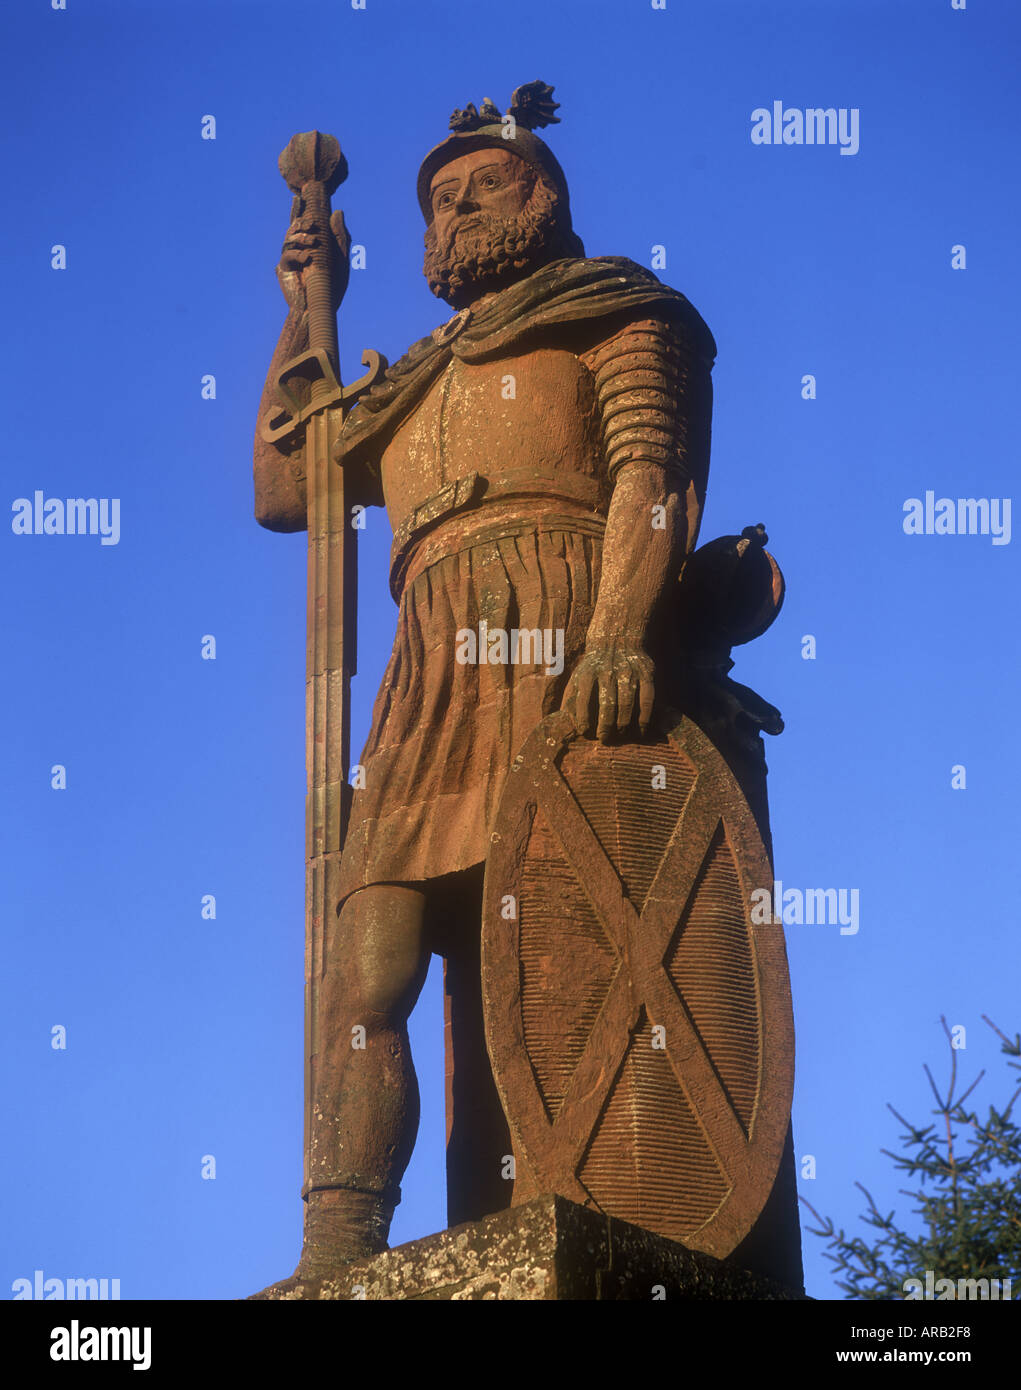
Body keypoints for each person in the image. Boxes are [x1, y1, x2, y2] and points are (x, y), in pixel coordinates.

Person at [253, 84, 716, 1291]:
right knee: (370, 967)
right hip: (426, 670)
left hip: (557, 629)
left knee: (563, 938)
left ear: (542, 195)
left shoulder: (612, 312)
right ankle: (336, 1247)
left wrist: (617, 633)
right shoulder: (406, 380)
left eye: (477, 190)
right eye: (435, 204)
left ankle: (579, 1191)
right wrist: (308, 310)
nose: (452, 215)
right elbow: (283, 487)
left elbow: (649, 475)